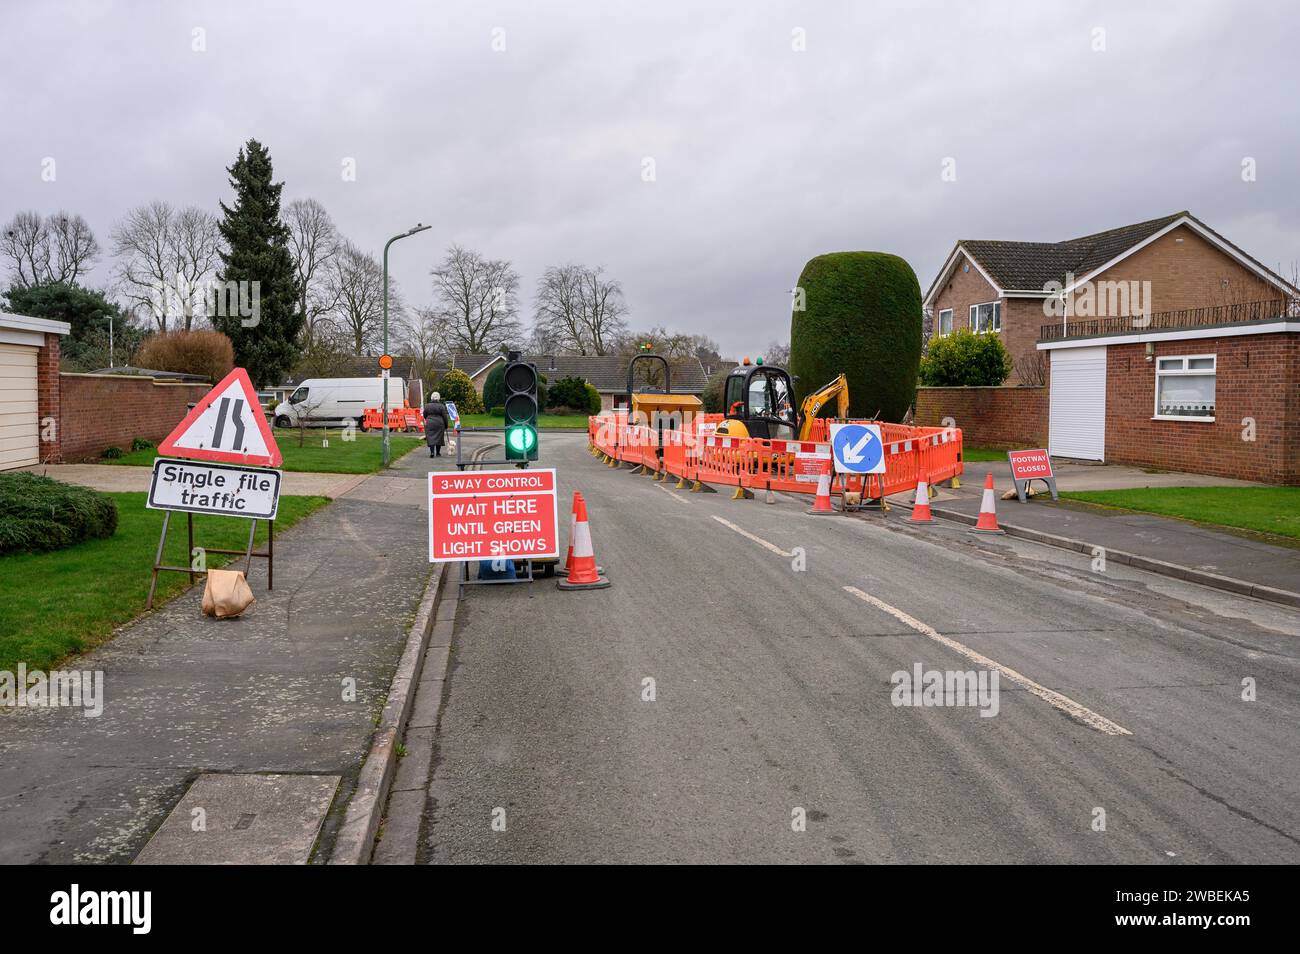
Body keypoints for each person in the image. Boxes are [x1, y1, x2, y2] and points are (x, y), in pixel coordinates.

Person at [423, 391, 452, 458]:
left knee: (430, 438)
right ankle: (438, 453)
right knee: (439, 438)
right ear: (438, 398)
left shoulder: (427, 406)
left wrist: (428, 419)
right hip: (439, 423)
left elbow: (425, 415)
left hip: (430, 423)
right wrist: (446, 425)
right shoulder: (441, 406)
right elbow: (444, 416)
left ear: (431, 397)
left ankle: (432, 452)